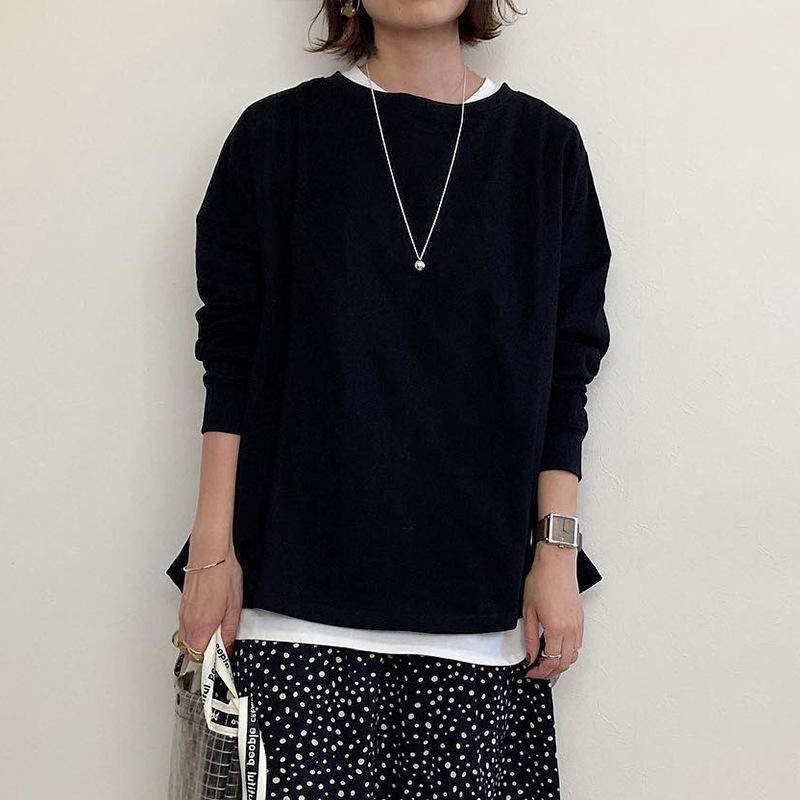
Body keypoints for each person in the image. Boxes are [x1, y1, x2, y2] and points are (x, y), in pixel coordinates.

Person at [166, 1, 612, 796]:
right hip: (293, 605)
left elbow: (565, 373)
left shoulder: (544, 150)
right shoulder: (277, 138)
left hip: (478, 613)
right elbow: (230, 361)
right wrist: (212, 553)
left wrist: (557, 554)